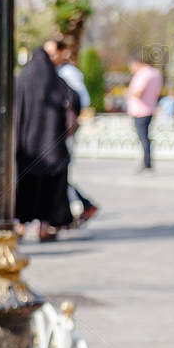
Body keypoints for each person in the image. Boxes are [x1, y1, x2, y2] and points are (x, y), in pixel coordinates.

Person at [14, 37, 81, 242]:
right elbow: (76, 102)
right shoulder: (56, 81)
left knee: (26, 187)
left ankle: (20, 225)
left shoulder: (23, 78)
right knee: (49, 190)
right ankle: (45, 227)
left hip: (28, 147)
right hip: (53, 146)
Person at [50, 38, 99, 227]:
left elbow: (81, 100)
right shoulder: (56, 72)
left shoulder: (68, 73)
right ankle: (78, 207)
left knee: (60, 170)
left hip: (63, 131)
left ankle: (81, 206)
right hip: (57, 130)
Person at [126, 53, 163, 172]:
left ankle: (146, 163)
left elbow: (138, 92)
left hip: (140, 111)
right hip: (150, 109)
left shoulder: (143, 74)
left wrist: (128, 92)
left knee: (143, 138)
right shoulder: (155, 73)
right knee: (145, 137)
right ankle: (147, 162)